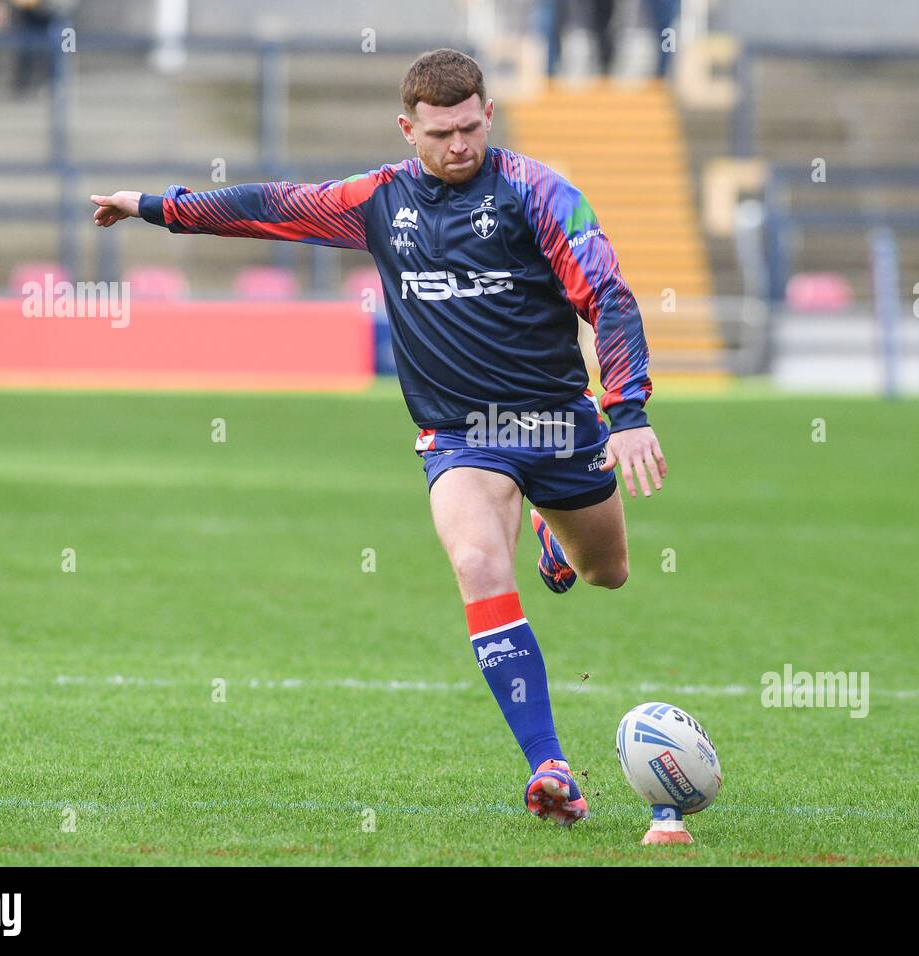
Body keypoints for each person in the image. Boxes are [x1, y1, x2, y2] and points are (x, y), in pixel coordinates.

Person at [89, 48, 665, 827]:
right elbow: (273, 204)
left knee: (609, 573)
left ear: (488, 115)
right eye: (440, 133)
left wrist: (626, 413)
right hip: (461, 436)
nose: (458, 145)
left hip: (558, 422)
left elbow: (608, 294)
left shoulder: (541, 193)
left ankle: (557, 535)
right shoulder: (378, 200)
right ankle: (550, 765)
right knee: (475, 560)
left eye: (469, 127)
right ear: (407, 128)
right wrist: (155, 204)